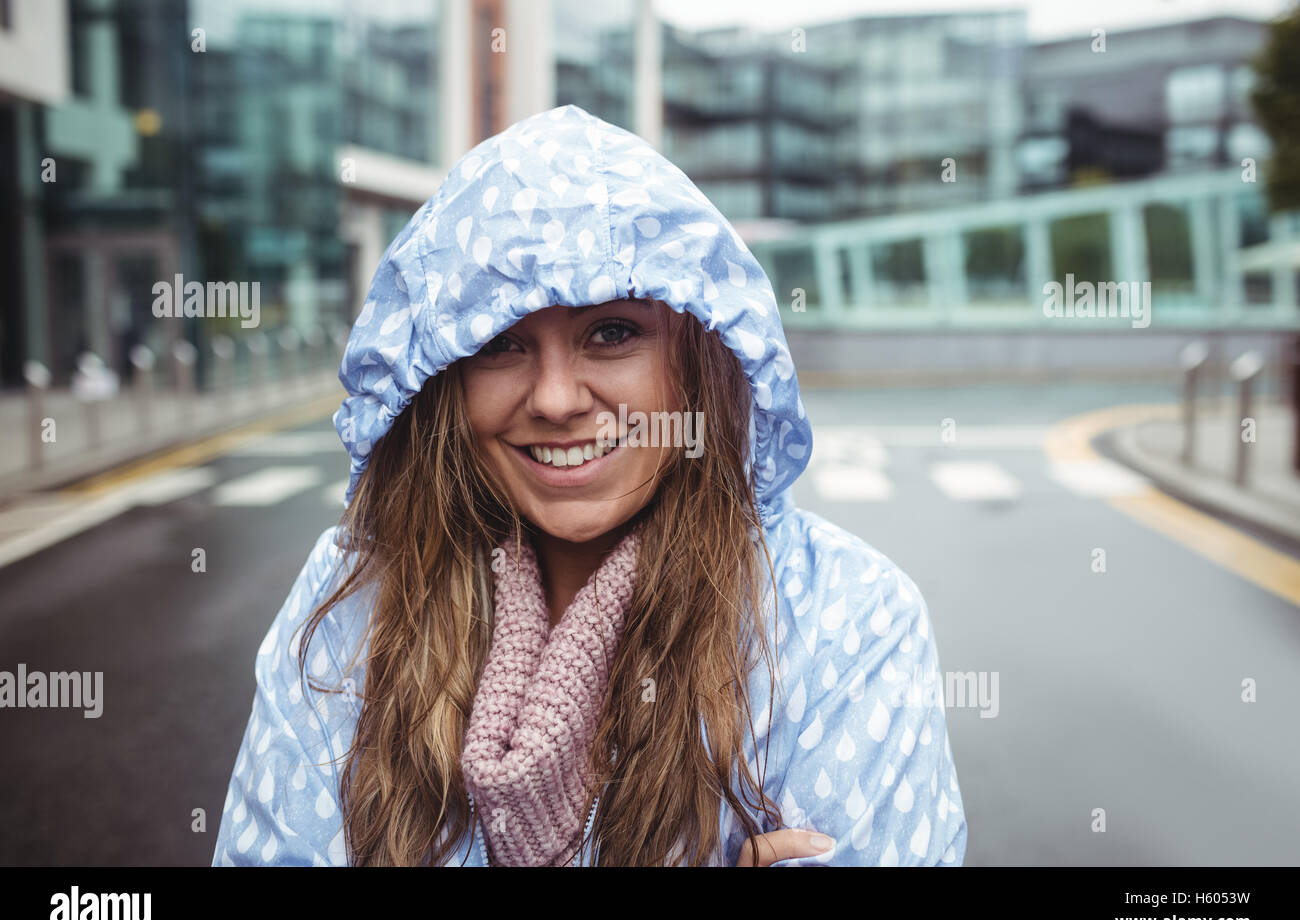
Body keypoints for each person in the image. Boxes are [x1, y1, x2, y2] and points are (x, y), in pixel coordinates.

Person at [211, 104, 967, 867]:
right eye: (501, 343)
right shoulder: (348, 606)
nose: (556, 399)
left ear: (699, 358)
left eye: (611, 334)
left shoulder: (844, 621)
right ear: (443, 378)